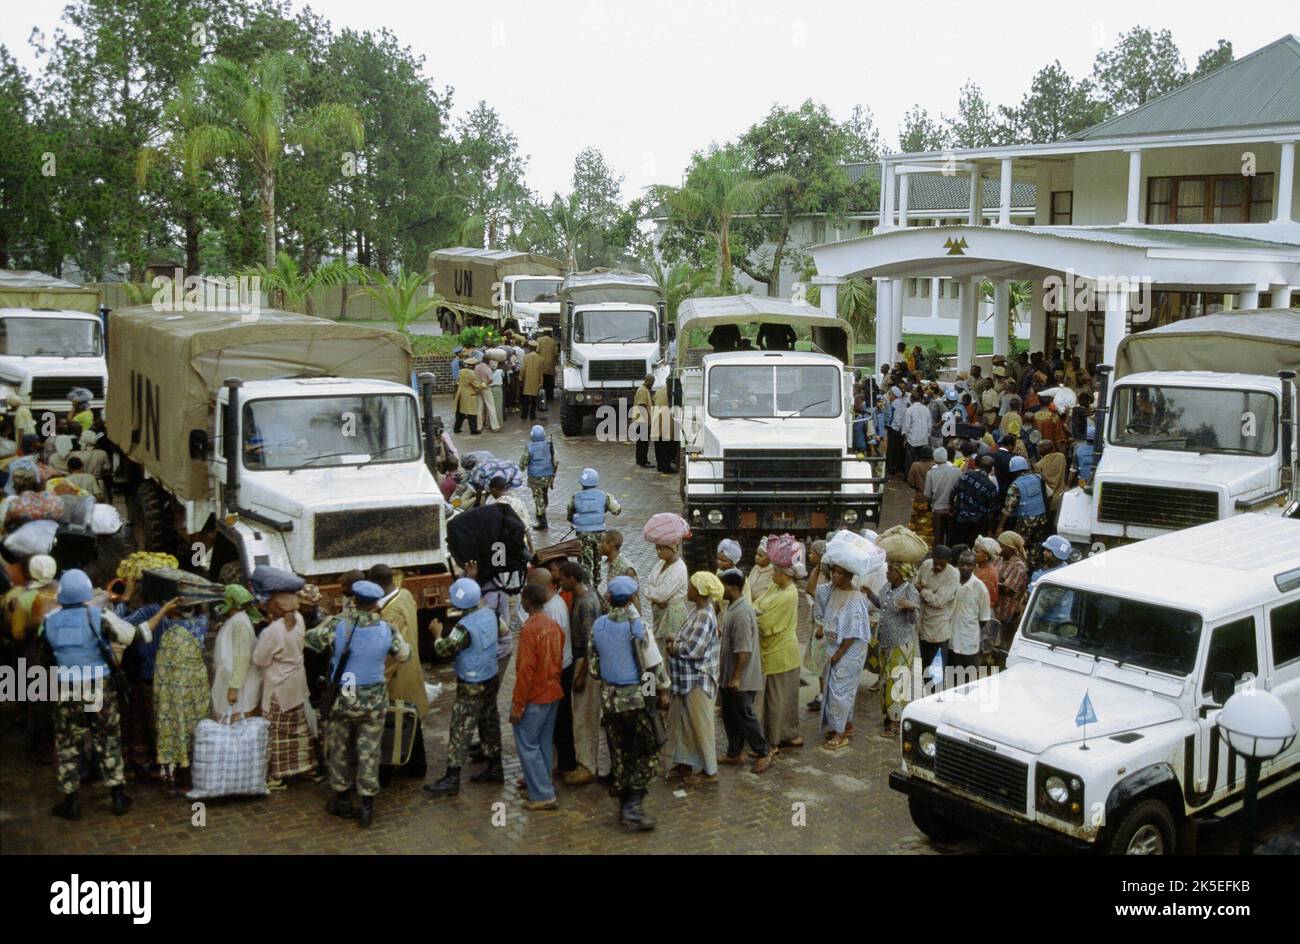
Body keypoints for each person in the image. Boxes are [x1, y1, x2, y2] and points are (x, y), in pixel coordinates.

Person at [40, 569, 148, 820]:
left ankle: (71, 801)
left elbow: (46, 659)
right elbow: (130, 636)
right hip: (98, 685)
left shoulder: (49, 622)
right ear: (87, 592)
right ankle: (118, 796)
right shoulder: (99, 616)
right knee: (108, 737)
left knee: (68, 742)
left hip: (66, 687)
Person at [303, 580, 409, 827]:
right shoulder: (388, 629)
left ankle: (341, 798)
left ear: (353, 600)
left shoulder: (338, 625)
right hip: (374, 699)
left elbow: (310, 641)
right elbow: (405, 655)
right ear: (375, 604)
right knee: (369, 750)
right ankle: (367, 805)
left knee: (337, 747)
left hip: (344, 695)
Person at [588, 575, 669, 831]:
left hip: (610, 702)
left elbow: (593, 669)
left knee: (619, 752)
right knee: (648, 752)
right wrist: (662, 691)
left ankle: (624, 804)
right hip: (636, 701)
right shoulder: (638, 627)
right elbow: (653, 665)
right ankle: (633, 806)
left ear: (609, 598)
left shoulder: (598, 626)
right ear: (633, 598)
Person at [426, 578, 504, 797]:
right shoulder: (491, 613)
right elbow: (505, 631)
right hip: (491, 675)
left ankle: (452, 777)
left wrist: (437, 634)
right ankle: (495, 766)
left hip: (471, 681)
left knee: (461, 725)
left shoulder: (463, 627)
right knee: (489, 720)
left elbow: (444, 649)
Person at [252, 578, 317, 789]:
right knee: (299, 730)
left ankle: (278, 776)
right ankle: (306, 767)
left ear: (276, 607)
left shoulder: (272, 632)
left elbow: (259, 660)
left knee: (277, 733)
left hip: (278, 687)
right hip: (297, 684)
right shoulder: (297, 618)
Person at [370, 564, 428, 780]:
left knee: (395, 724)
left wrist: (379, 680)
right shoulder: (403, 594)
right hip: (411, 670)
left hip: (397, 677)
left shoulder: (390, 613)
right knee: (413, 721)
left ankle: (396, 770)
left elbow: (389, 653)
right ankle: (416, 767)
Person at [510, 583, 564, 810]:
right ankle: (542, 784)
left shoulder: (529, 630)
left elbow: (525, 671)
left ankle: (542, 793)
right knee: (543, 742)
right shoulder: (553, 626)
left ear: (526, 602)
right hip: (553, 691)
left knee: (527, 744)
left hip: (535, 695)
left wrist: (517, 705)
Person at [666, 571, 722, 785]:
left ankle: (709, 771)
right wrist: (676, 640)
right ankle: (684, 763)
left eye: (690, 586)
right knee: (686, 723)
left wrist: (674, 647)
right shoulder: (696, 611)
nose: (687, 590)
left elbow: (693, 649)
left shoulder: (705, 615)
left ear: (698, 591)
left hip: (699, 679)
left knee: (701, 725)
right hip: (687, 679)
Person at [150, 597, 210, 792]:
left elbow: (164, 667)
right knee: (195, 725)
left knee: (178, 728)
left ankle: (183, 776)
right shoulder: (201, 623)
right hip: (197, 688)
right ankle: (196, 771)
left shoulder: (172, 632)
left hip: (174, 693)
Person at [716, 569, 772, 773]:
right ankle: (734, 752)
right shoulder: (733, 607)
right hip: (729, 675)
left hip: (741, 677)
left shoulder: (741, 613)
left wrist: (736, 677)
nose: (720, 589)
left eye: (723, 586)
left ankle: (763, 751)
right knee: (731, 716)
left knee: (745, 716)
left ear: (734, 588)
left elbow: (743, 649)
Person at [817, 562, 872, 751]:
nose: (834, 575)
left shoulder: (855, 597)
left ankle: (840, 733)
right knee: (837, 688)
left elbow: (853, 631)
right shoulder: (835, 591)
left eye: (839, 573)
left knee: (840, 690)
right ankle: (845, 726)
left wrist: (839, 654)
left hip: (850, 650)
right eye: (833, 571)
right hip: (835, 647)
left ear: (848, 576)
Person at [559, 560, 604, 787]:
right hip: (582, 660)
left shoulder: (585, 603)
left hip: (584, 663)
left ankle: (587, 767)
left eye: (563, 578)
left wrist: (581, 674)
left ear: (573, 579)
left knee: (584, 716)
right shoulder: (586, 596)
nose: (560, 582)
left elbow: (589, 643)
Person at [867, 563, 920, 737]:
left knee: (897, 682)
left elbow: (913, 620)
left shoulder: (909, 590)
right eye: (889, 569)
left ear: (902, 574)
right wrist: (870, 594)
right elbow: (882, 605)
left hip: (901, 643)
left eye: (892, 570)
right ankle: (888, 717)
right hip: (884, 641)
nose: (887, 572)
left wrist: (911, 608)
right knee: (884, 680)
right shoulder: (887, 587)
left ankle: (897, 722)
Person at [754, 561, 803, 750]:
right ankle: (779, 734)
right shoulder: (776, 586)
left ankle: (777, 738)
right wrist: (758, 610)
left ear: (787, 574)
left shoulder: (789, 595)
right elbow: (756, 603)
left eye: (776, 571)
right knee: (774, 697)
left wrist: (758, 611)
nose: (772, 573)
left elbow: (765, 623)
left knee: (779, 698)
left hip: (782, 652)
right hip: (770, 649)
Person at [210, 584, 263, 718]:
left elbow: (242, 658)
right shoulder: (237, 620)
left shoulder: (239, 623)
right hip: (231, 681)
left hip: (240, 688)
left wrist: (233, 688)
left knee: (237, 727)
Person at [568, 467, 621, 587]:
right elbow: (617, 510)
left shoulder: (575, 496)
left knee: (585, 563)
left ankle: (586, 586)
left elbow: (569, 514)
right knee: (598, 560)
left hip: (583, 535)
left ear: (581, 482)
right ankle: (596, 584)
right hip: (600, 535)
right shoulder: (605, 496)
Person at [914, 546, 959, 679]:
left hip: (939, 628)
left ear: (948, 561)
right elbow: (915, 583)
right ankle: (927, 696)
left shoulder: (953, 575)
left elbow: (938, 601)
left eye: (942, 565)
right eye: (936, 563)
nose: (938, 567)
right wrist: (928, 593)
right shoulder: (926, 565)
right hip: (923, 624)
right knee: (925, 667)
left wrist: (923, 591)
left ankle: (936, 696)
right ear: (932, 558)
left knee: (936, 670)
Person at [948, 551, 992, 677]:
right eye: (962, 564)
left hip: (968, 643)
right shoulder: (951, 582)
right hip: (950, 639)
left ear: (975, 566)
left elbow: (984, 619)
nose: (965, 568)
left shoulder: (980, 588)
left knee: (965, 680)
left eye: (969, 565)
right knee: (950, 677)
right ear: (957, 564)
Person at [998, 455, 1049, 563]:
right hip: (1042, 517)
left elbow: (1008, 509)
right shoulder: (1038, 477)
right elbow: (1048, 496)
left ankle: (1022, 568)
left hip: (1026, 520)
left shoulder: (1015, 485)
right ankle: (1034, 565)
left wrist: (1000, 526)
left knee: (1019, 546)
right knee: (1036, 544)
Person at [644, 539, 688, 651]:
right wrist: (654, 595)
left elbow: (661, 595)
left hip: (672, 614)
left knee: (669, 648)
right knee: (659, 646)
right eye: (656, 548)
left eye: (661, 549)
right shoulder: (660, 564)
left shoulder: (679, 568)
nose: (658, 552)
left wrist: (654, 594)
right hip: (659, 613)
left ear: (672, 548)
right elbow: (648, 584)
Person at [994, 531, 1030, 648]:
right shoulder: (999, 559)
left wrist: (988, 583)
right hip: (995, 607)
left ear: (1011, 548)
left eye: (1002, 546)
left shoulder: (1018, 566)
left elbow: (1007, 589)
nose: (999, 548)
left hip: (1006, 611)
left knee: (1000, 644)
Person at [519, 425, 557, 531]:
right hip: (547, 476)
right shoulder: (549, 445)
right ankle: (543, 509)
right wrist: (553, 475)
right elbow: (555, 461)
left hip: (535, 478)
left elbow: (524, 462)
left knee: (538, 499)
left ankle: (542, 522)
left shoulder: (529, 447)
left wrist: (518, 472)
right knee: (544, 496)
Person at [924, 447, 961, 547]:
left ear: (935, 459)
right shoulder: (957, 471)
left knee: (938, 536)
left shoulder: (930, 473)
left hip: (937, 509)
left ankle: (938, 554)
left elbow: (927, 494)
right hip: (951, 509)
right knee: (950, 535)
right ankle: (948, 555)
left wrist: (929, 505)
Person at [599, 530, 640, 611]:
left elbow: (634, 598)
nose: (599, 545)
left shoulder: (627, 569)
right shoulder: (611, 563)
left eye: (602, 542)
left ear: (611, 545)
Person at [905, 445, 935, 542]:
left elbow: (910, 482)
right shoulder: (934, 466)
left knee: (916, 522)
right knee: (928, 524)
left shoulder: (915, 465)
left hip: (919, 497)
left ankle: (914, 542)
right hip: (931, 499)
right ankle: (927, 543)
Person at [453, 353, 487, 435]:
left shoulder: (461, 371)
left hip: (460, 393)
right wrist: (484, 384)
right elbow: (475, 384)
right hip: (469, 395)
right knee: (472, 413)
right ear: (472, 366)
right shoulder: (470, 373)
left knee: (460, 412)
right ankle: (473, 430)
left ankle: (456, 428)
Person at [902, 391, 932, 472]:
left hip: (912, 439)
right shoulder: (926, 409)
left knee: (910, 460)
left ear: (911, 399)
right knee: (921, 460)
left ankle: (909, 476)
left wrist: (905, 439)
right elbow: (929, 425)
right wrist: (927, 436)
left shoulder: (910, 410)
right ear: (921, 399)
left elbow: (907, 426)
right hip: (923, 440)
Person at [652, 382, 677, 474]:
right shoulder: (673, 390)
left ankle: (660, 465)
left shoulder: (659, 390)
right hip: (666, 418)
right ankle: (666, 467)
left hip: (656, 417)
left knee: (658, 443)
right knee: (666, 444)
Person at [972, 536, 1002, 610]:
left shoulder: (989, 574)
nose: (974, 553)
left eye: (977, 552)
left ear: (987, 555)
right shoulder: (978, 567)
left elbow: (976, 597)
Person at [632, 375, 654, 468]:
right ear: (648, 381)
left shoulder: (644, 389)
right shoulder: (643, 391)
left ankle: (640, 459)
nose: (652, 384)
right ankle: (642, 461)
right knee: (643, 442)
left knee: (641, 441)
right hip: (642, 420)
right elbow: (641, 405)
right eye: (652, 382)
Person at [520, 340, 544, 421]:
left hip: (527, 380)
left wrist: (520, 378)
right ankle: (532, 415)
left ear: (530, 347)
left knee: (525, 399)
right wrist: (541, 382)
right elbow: (541, 371)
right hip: (536, 380)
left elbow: (523, 369)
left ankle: (524, 415)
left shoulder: (526, 357)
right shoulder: (540, 359)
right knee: (534, 399)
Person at [536, 329, 557, 409]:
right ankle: (549, 396)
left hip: (541, 364)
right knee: (550, 382)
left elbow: (537, 350)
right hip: (550, 365)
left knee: (542, 381)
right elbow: (555, 353)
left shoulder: (539, 340)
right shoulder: (553, 341)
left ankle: (541, 396)